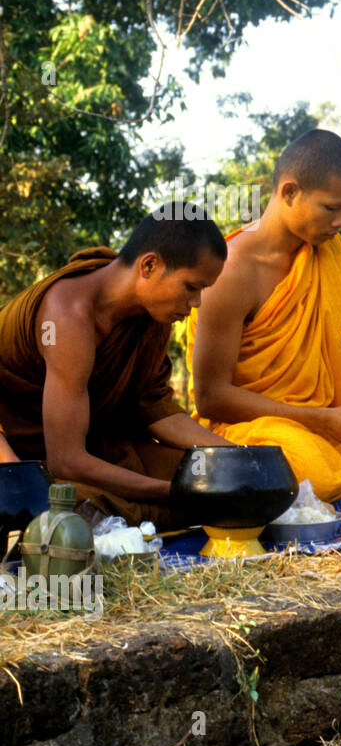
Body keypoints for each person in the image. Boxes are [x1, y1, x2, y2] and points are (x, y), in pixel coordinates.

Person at [188, 130, 341, 501]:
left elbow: (333, 355)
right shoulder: (231, 271)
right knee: (317, 480)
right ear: (289, 192)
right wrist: (323, 421)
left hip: (328, 424)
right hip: (258, 430)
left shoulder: (330, 252)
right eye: (331, 208)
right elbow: (211, 399)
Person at [0, 206, 231, 526]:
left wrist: (237, 455)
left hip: (94, 446)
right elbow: (65, 461)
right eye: (192, 287)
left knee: (212, 473)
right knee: (70, 511)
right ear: (149, 265)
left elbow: (153, 407)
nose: (196, 304)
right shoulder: (66, 318)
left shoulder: (152, 314)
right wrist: (172, 492)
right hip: (22, 459)